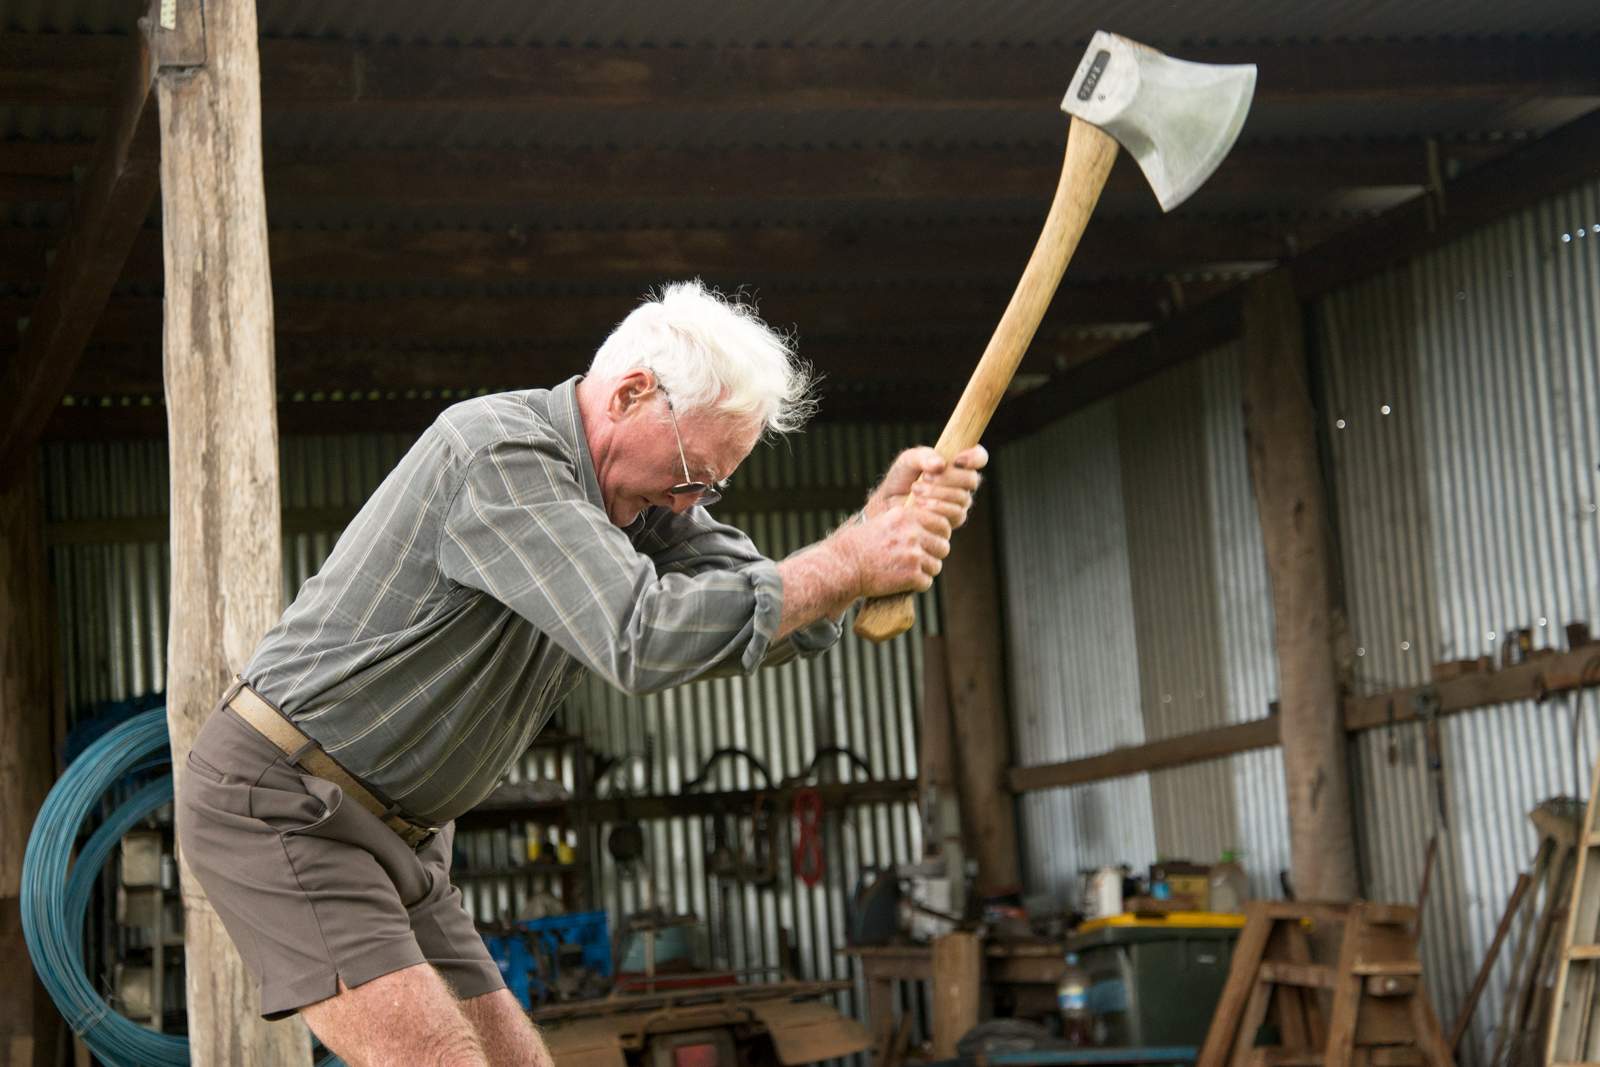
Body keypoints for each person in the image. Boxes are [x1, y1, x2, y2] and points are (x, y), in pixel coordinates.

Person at [175, 280, 987, 1066]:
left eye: (713, 485)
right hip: (284, 800)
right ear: (633, 394)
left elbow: (767, 599)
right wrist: (848, 562)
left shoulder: (641, 499)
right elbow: (644, 635)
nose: (690, 499)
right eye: (692, 471)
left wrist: (870, 538)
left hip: (405, 836)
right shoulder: (500, 451)